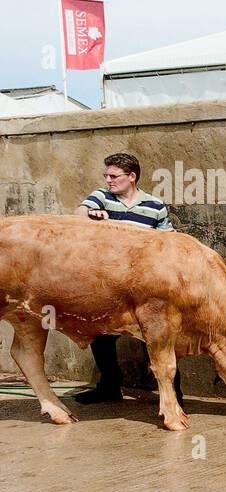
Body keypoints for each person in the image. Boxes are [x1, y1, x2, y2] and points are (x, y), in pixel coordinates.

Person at [73, 152, 183, 406]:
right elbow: (77, 214)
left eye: (114, 176)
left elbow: (168, 241)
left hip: (142, 287)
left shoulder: (154, 206)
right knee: (101, 335)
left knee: (157, 336)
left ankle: (174, 395)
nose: (108, 180)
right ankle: (109, 387)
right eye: (106, 176)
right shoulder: (101, 197)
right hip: (107, 283)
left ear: (131, 177)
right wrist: (91, 215)